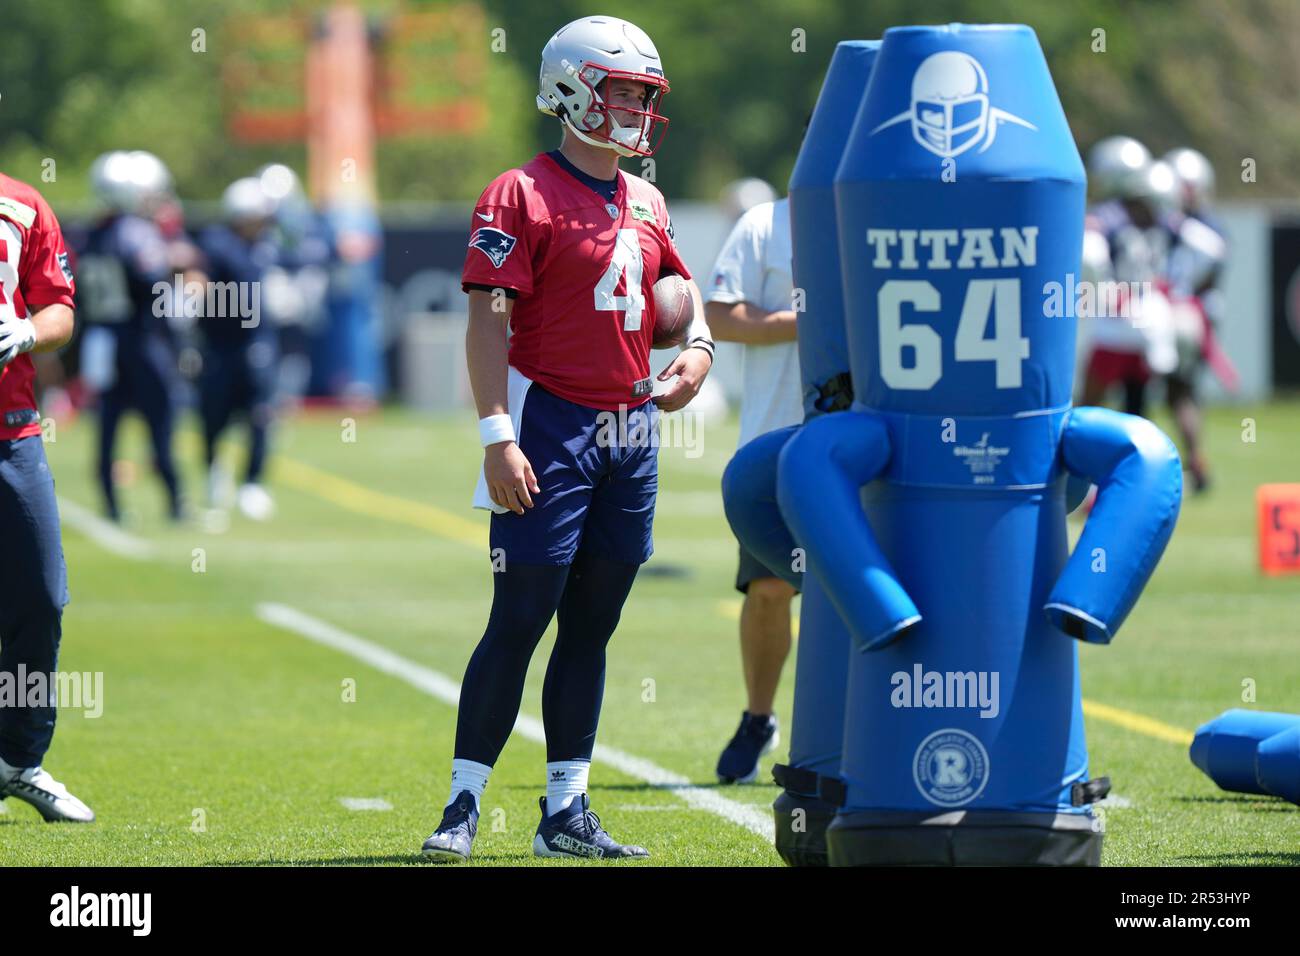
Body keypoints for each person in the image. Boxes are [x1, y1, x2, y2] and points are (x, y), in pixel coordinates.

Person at [421, 14, 714, 862]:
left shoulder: (648, 197)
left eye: (642, 95)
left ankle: (566, 813)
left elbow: (680, 298)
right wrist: (495, 434)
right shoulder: (520, 191)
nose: (636, 109)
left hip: (631, 430)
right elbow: (487, 320)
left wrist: (695, 352)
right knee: (521, 615)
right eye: (623, 90)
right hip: (549, 421)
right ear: (572, 89)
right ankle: (463, 804)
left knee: (593, 625)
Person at [0, 167, 92, 821]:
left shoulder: (24, 204)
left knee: (40, 596)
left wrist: (28, 333)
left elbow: (59, 306)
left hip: (12, 433)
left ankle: (17, 759)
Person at [704, 190, 801, 783]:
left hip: (872, 439)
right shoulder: (766, 223)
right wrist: (807, 323)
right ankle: (759, 717)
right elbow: (719, 315)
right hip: (776, 440)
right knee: (768, 589)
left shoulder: (884, 210)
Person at [77, 150, 185, 523]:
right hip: (140, 341)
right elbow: (153, 284)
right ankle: (176, 502)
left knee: (108, 424)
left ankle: (111, 505)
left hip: (102, 340)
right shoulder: (137, 233)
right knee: (161, 419)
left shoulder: (90, 234)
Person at [194, 178, 281, 521]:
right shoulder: (218, 244)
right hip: (220, 344)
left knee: (260, 415)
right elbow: (198, 278)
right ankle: (215, 471)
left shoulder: (265, 245)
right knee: (214, 416)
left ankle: (253, 483)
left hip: (257, 342)